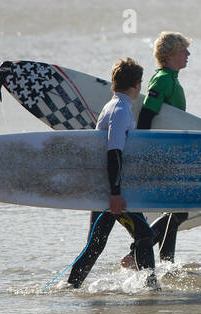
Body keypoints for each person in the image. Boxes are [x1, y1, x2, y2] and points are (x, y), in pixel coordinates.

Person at [68, 57, 160, 290]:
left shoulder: (113, 107)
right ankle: (151, 289)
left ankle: (71, 287)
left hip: (106, 189)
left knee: (95, 244)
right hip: (115, 192)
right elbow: (114, 152)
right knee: (144, 238)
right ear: (137, 84)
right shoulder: (120, 111)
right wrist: (116, 192)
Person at [123, 31, 192, 267]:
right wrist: (145, 152)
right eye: (184, 50)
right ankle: (138, 250)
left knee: (178, 212)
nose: (188, 54)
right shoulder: (162, 79)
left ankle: (166, 263)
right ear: (171, 54)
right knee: (180, 212)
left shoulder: (171, 78)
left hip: (173, 153)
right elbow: (147, 116)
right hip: (165, 155)